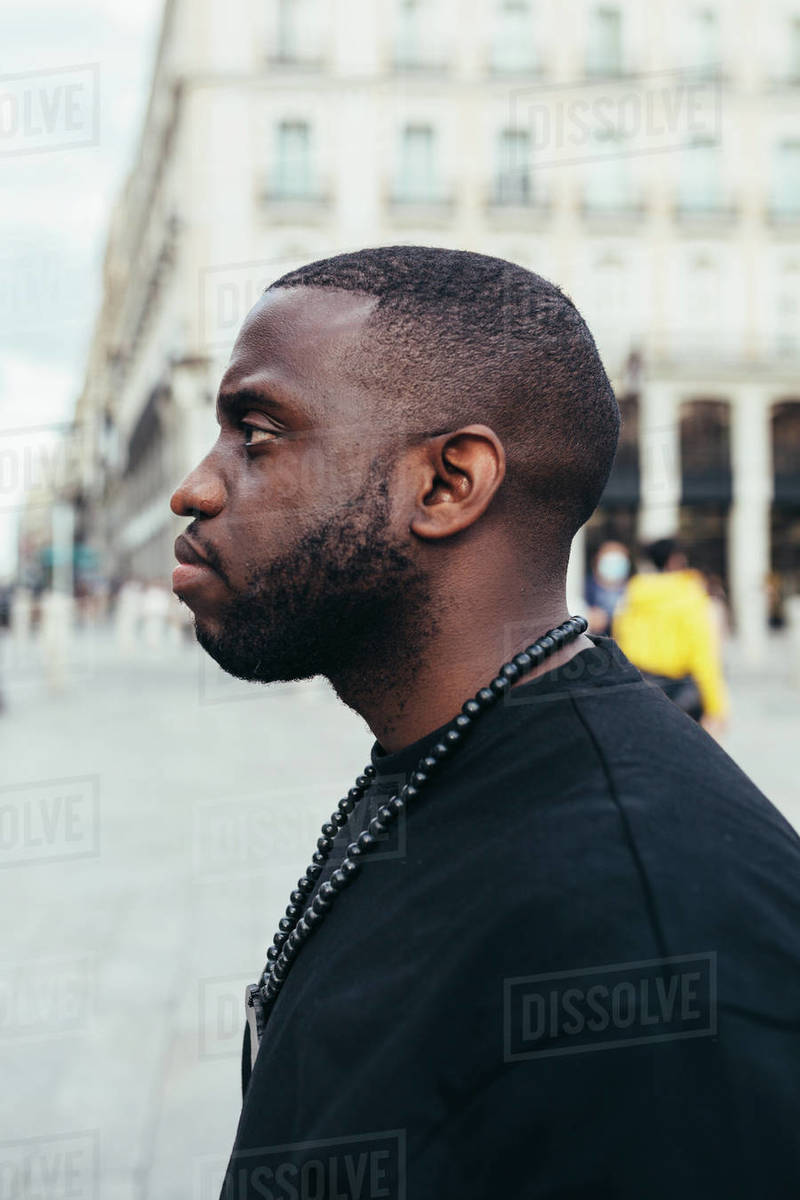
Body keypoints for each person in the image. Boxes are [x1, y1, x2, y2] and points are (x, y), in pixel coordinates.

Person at [170, 248, 800, 1199]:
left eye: (255, 432)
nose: (196, 488)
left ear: (448, 482)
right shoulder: (444, 752)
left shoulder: (650, 942)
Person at [613, 537, 729, 735]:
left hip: (643, 688)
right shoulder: (689, 594)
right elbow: (703, 654)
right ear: (675, 560)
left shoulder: (633, 594)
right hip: (684, 693)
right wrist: (716, 707)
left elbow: (620, 643)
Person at [584, 539, 631, 634]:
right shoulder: (583, 588)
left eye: (619, 559)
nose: (614, 565)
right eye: (609, 559)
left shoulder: (635, 588)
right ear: (597, 560)